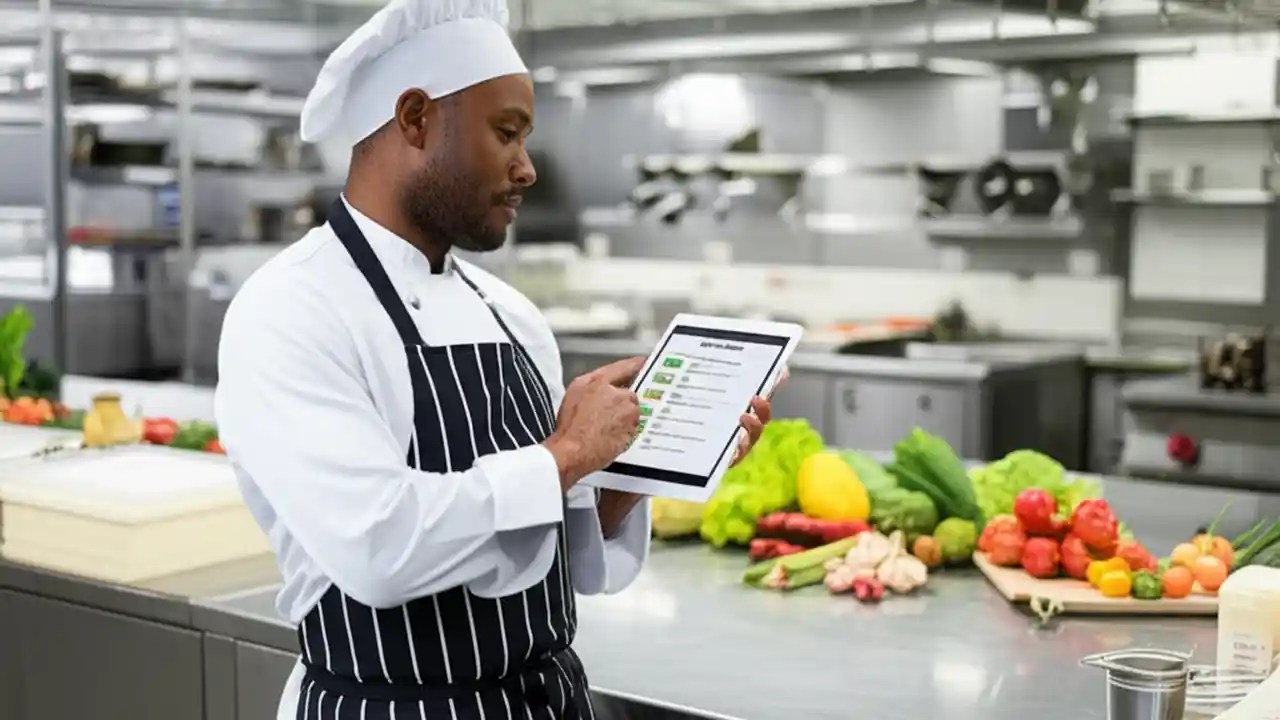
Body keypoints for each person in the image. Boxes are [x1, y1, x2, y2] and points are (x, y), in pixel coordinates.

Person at [213, 1, 775, 718]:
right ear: (415, 119)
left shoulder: (510, 315)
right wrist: (567, 452)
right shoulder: (291, 310)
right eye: (506, 133)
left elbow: (550, 556)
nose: (528, 168)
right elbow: (379, 549)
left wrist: (639, 468)